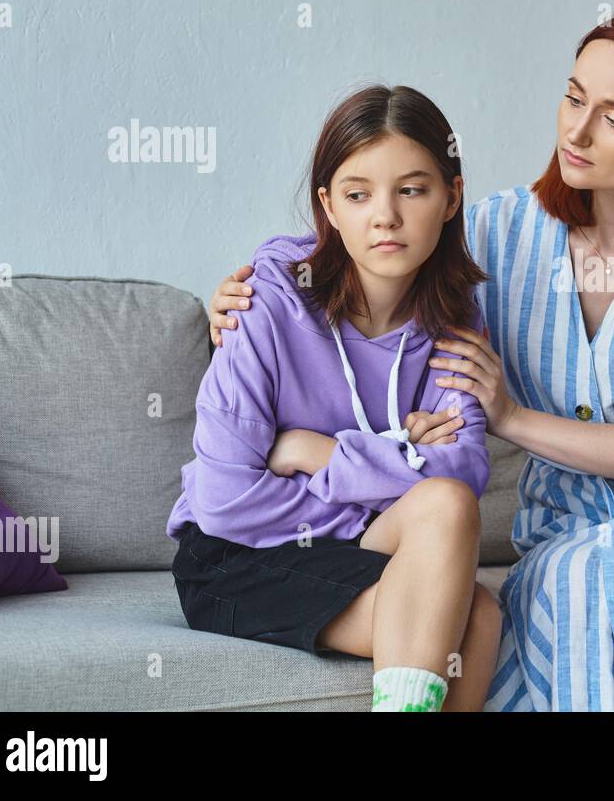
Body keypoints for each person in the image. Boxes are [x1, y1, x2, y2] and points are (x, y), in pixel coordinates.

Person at [208, 9, 614, 711]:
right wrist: (242, 291)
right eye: (573, 98)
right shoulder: (498, 233)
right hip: (569, 528)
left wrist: (512, 417)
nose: (577, 131)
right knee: (594, 587)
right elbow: (370, 235)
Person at [168, 84, 499, 712]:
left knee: (464, 556)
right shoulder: (265, 302)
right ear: (329, 205)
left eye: (412, 189)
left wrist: (317, 454)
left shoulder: (457, 324)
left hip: (353, 547)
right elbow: (222, 500)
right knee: (469, 607)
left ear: (451, 198)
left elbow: (465, 470)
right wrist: (384, 484)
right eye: (358, 194)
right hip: (235, 560)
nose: (385, 216)